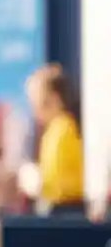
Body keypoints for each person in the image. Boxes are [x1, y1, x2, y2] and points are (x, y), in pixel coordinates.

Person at [26, 63, 85, 217]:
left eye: (39, 102)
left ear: (55, 99)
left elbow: (74, 181)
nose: (35, 110)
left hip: (68, 210)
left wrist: (41, 183)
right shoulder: (52, 131)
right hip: (54, 208)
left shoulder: (66, 128)